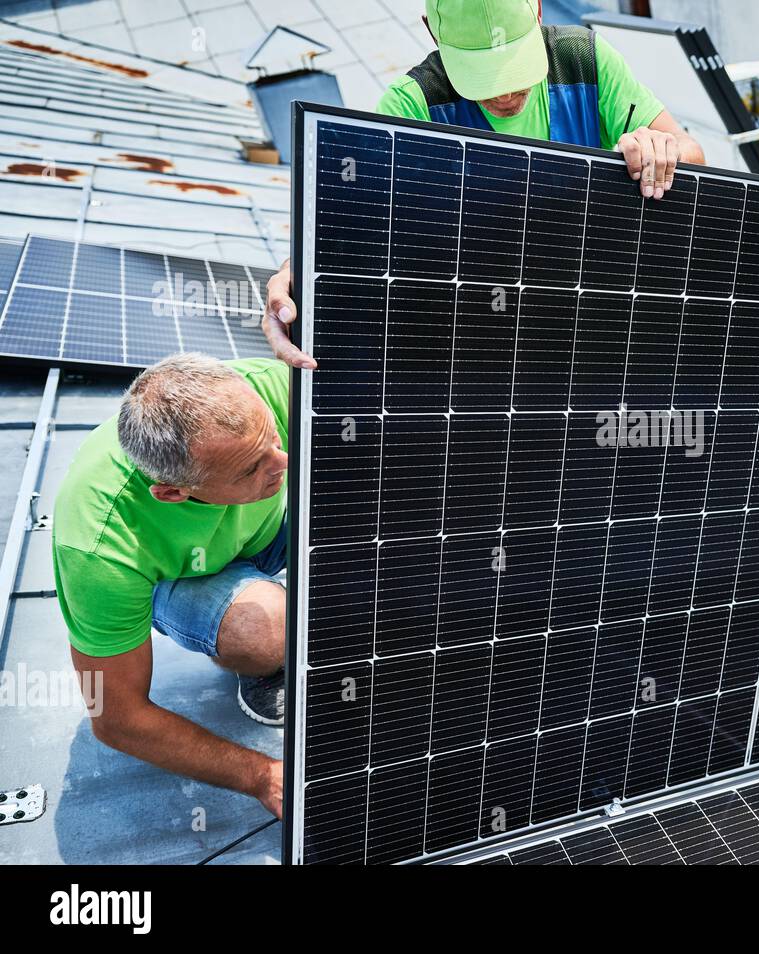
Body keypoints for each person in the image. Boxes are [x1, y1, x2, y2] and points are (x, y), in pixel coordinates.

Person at [262, 0, 704, 368]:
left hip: (596, 326)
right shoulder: (412, 107)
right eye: (484, 76)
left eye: (515, 66)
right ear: (431, 33)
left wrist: (662, 149)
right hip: (478, 340)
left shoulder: (583, 59)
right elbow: (353, 234)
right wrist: (296, 276)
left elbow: (693, 154)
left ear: (536, 11)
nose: (506, 93)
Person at [54, 354, 290, 817]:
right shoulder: (100, 545)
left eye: (273, 437)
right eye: (249, 468)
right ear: (173, 492)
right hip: (184, 570)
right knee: (267, 631)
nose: (286, 461)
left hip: (269, 526)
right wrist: (263, 777)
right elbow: (118, 719)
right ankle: (260, 666)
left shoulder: (274, 386)